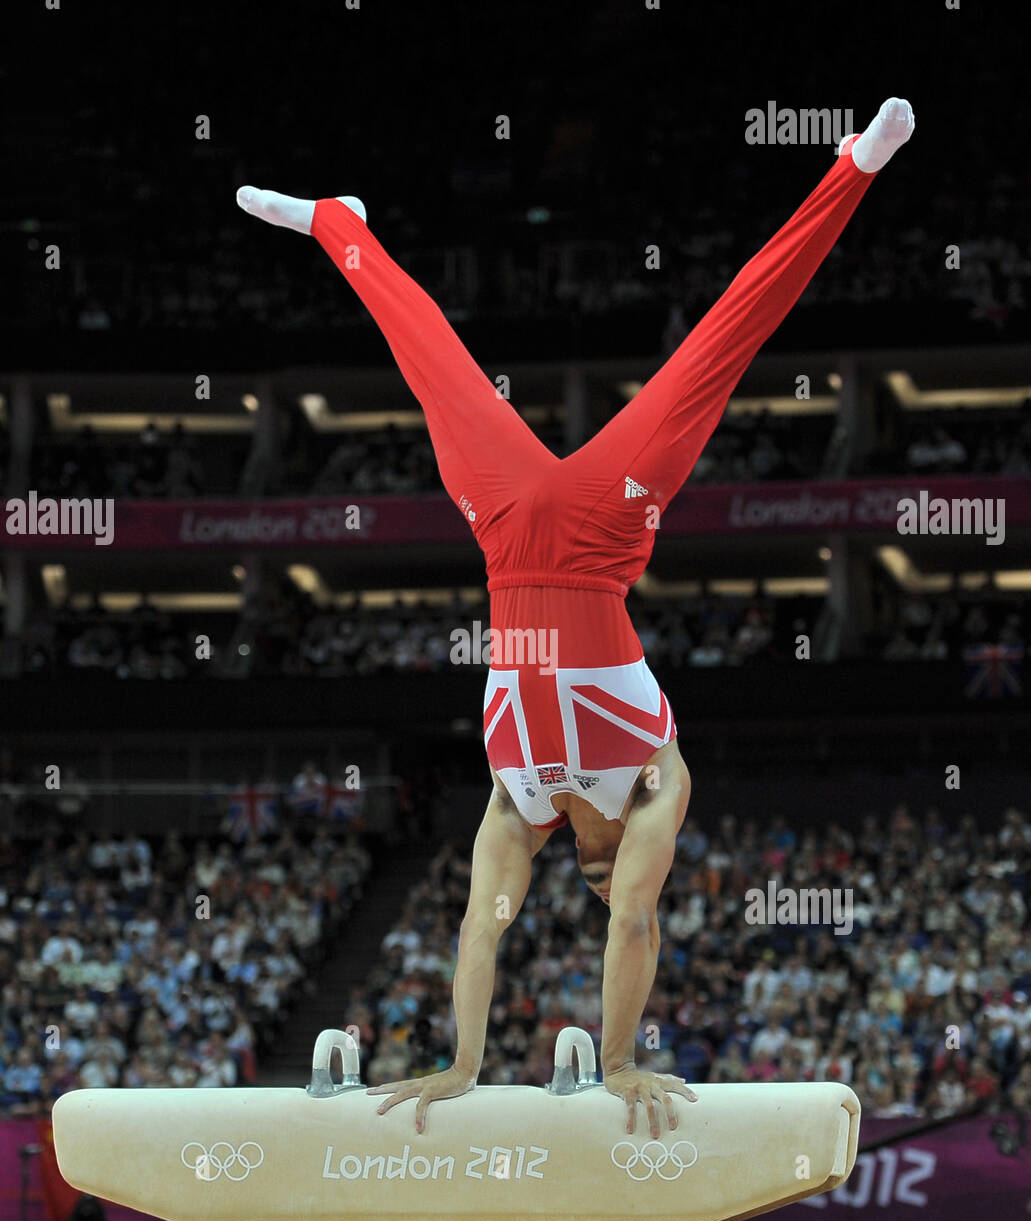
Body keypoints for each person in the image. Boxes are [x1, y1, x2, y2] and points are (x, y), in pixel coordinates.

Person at [238, 99, 915, 1137]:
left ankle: (342, 224)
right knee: (717, 349)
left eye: (590, 872)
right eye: (608, 874)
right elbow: (635, 920)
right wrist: (615, 1060)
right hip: (601, 536)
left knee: (434, 371)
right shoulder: (656, 782)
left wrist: (462, 1064)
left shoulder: (517, 813)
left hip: (508, 538)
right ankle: (852, 170)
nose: (604, 876)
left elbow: (478, 929)